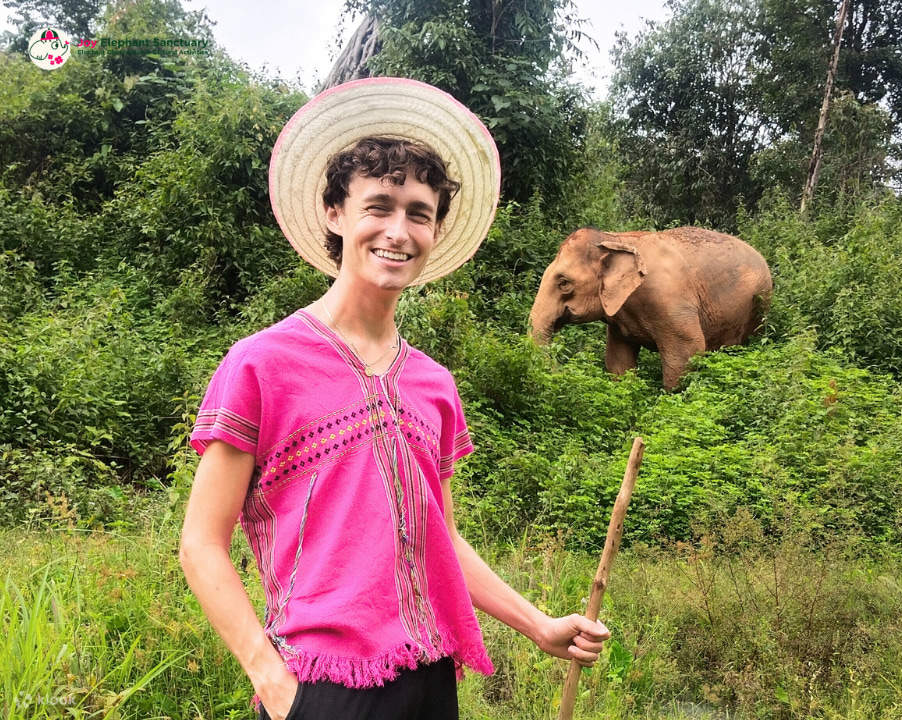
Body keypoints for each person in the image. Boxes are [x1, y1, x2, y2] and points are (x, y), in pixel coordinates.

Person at [178, 78, 609, 720]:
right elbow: (200, 543)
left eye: (418, 212)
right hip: (318, 684)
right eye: (378, 205)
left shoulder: (431, 382)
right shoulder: (261, 365)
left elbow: (439, 538)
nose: (398, 230)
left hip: (429, 678)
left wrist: (536, 623)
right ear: (336, 213)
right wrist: (274, 685)